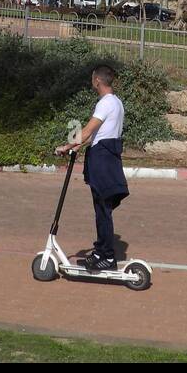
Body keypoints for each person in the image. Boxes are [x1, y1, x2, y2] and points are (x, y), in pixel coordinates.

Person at [56, 64, 128, 272]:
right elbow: (101, 134)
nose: (91, 82)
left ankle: (106, 256)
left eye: (92, 79)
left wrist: (67, 146)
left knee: (103, 209)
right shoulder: (117, 103)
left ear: (97, 80)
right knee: (101, 209)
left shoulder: (105, 103)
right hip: (107, 156)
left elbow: (87, 131)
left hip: (103, 160)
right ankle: (100, 252)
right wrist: (78, 146)